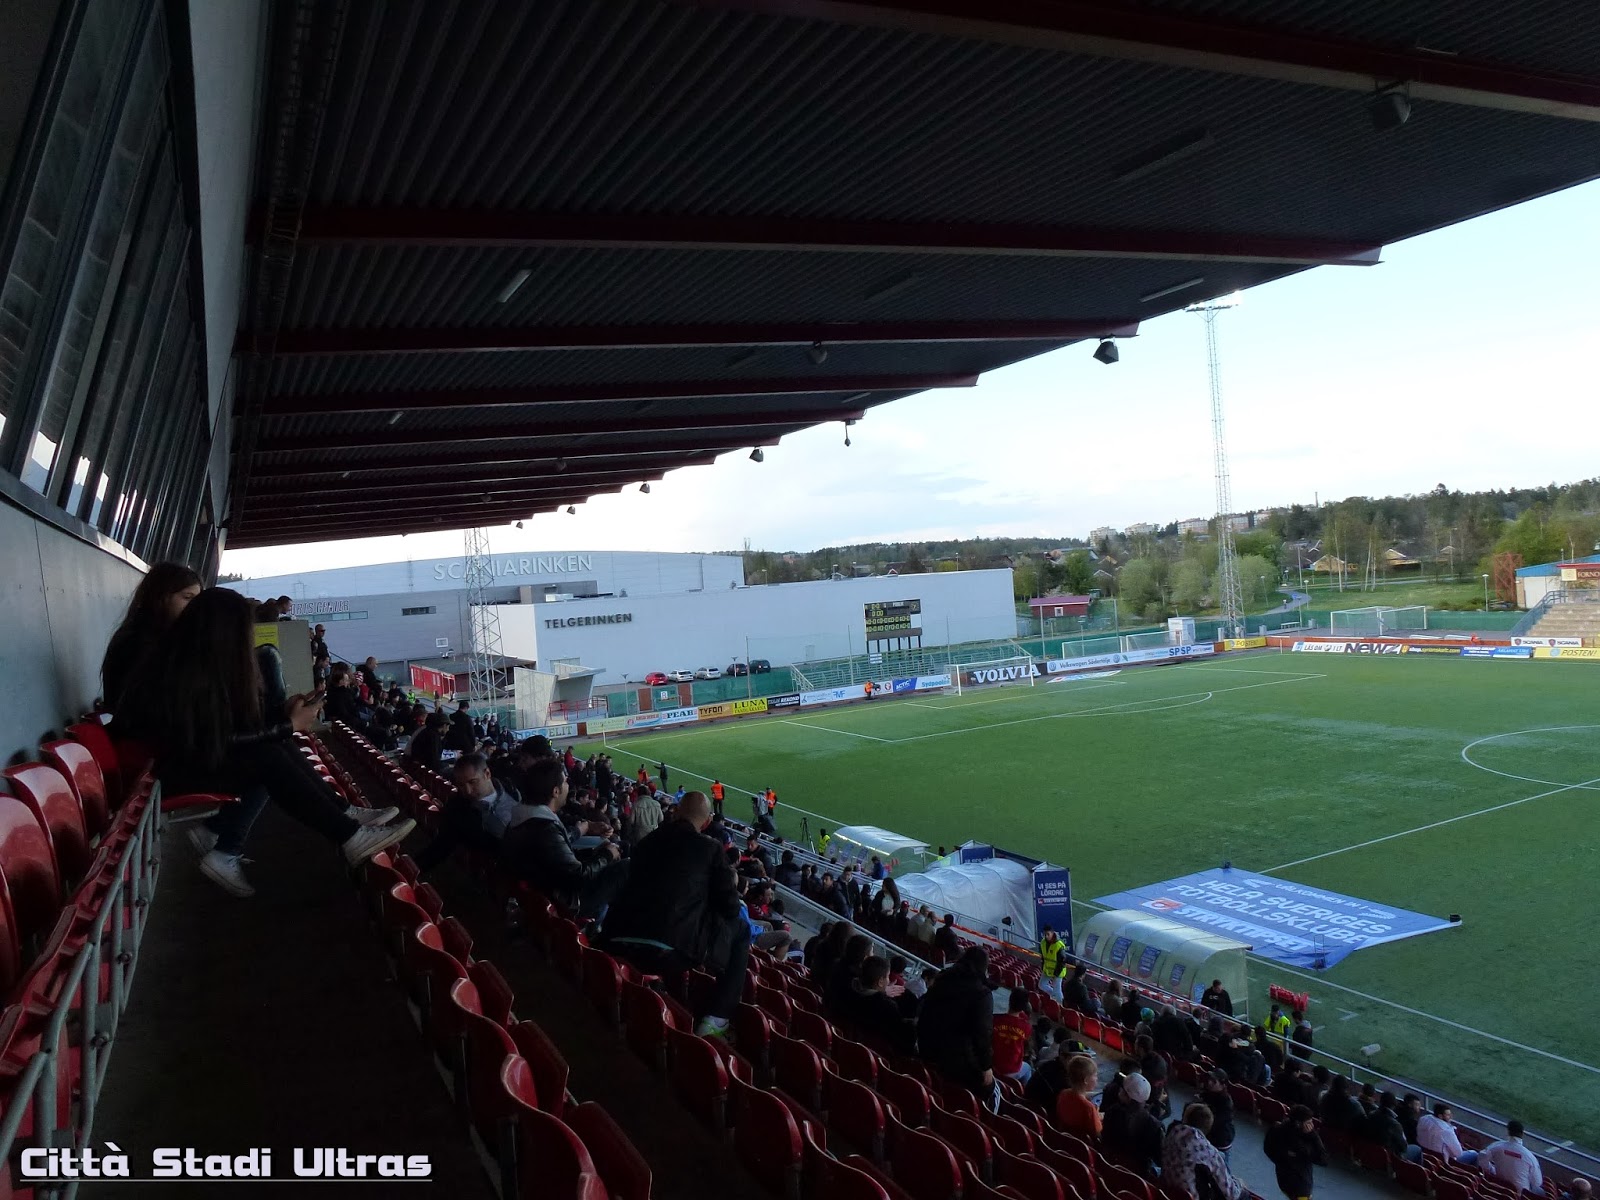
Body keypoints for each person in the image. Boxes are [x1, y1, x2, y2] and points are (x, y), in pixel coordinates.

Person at [113, 588, 412, 897]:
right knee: (268, 757)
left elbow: (224, 731)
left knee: (273, 748)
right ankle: (347, 833)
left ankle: (340, 818)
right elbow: (215, 739)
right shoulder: (183, 671)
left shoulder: (188, 662)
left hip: (177, 762)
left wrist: (284, 716)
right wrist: (287, 725)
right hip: (163, 772)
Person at [600, 792, 746, 1038]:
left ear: (676, 812)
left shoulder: (647, 842)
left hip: (617, 938)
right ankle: (717, 1017)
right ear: (707, 822)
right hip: (669, 951)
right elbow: (730, 907)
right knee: (741, 928)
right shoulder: (711, 848)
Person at [100, 562, 202, 708]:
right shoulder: (136, 642)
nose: (195, 606)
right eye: (187, 597)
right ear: (160, 596)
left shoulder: (147, 636)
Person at [414, 752, 527, 873]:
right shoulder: (457, 812)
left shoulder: (514, 790)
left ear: (487, 774)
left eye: (473, 782)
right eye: (461, 785)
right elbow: (440, 847)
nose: (467, 790)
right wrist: (413, 869)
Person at [916, 947, 995, 1099]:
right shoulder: (982, 994)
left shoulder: (941, 979)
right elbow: (983, 1034)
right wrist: (986, 1066)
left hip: (927, 1050)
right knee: (991, 1089)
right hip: (956, 1063)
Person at [1163, 1103, 1245, 1200]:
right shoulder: (1209, 1152)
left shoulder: (1171, 1134)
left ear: (1185, 1119)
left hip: (1167, 1192)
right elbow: (1231, 1194)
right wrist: (1239, 1184)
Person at [1102, 1072, 1164, 1177]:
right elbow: (1160, 1160)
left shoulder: (1113, 1111)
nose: (1120, 1090)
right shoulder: (1155, 1125)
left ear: (1128, 1097)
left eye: (1123, 1089)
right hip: (1136, 1176)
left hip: (1109, 1166)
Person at [1264, 1106, 1328, 1200]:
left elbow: (1267, 1149)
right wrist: (1313, 1135)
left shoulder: (1276, 1128)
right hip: (1301, 1189)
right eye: (1309, 1123)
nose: (1312, 1126)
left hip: (1283, 1180)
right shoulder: (1301, 1145)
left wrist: (1281, 1160)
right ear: (1298, 1123)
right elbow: (1324, 1159)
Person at [1482, 1120, 1543, 1194]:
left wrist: (1492, 1170)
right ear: (1522, 1133)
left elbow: (1482, 1157)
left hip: (1496, 1189)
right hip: (1519, 1195)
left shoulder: (1496, 1147)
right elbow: (1537, 1183)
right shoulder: (1529, 1157)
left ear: (1508, 1131)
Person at [1055, 1053, 1103, 1139]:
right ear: (1086, 1080)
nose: (1097, 1078)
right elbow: (1097, 1134)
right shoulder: (1088, 1108)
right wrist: (1098, 1116)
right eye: (1095, 1075)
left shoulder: (1063, 1093)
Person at [992, 990, 1033, 1085]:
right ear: (1024, 1007)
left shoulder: (995, 1019)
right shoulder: (1026, 1027)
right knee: (1028, 1068)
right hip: (1012, 1069)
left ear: (1010, 1001)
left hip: (993, 1065)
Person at [1365, 1092, 1418, 1163]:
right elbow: (1403, 1147)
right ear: (1394, 1104)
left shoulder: (1371, 1114)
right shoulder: (1394, 1124)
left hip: (1373, 1150)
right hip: (1390, 1155)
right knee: (1417, 1149)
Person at [1198, 1069, 1237, 1162]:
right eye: (1210, 1079)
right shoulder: (1206, 1094)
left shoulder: (1226, 1103)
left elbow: (1218, 1121)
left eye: (1214, 1081)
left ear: (1223, 1085)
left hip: (1221, 1139)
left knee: (1222, 1166)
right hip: (1208, 1136)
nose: (1209, 1082)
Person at [1038, 925, 1069, 1001]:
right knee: (1041, 985)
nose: (1046, 936)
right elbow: (1043, 957)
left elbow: (1062, 962)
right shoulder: (1043, 943)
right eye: (1045, 934)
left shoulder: (1058, 945)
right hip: (1047, 970)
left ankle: (1061, 1005)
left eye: (1048, 934)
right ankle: (1054, 995)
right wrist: (1043, 967)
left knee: (1057, 990)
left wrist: (1056, 974)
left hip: (1058, 972)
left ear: (1052, 933)